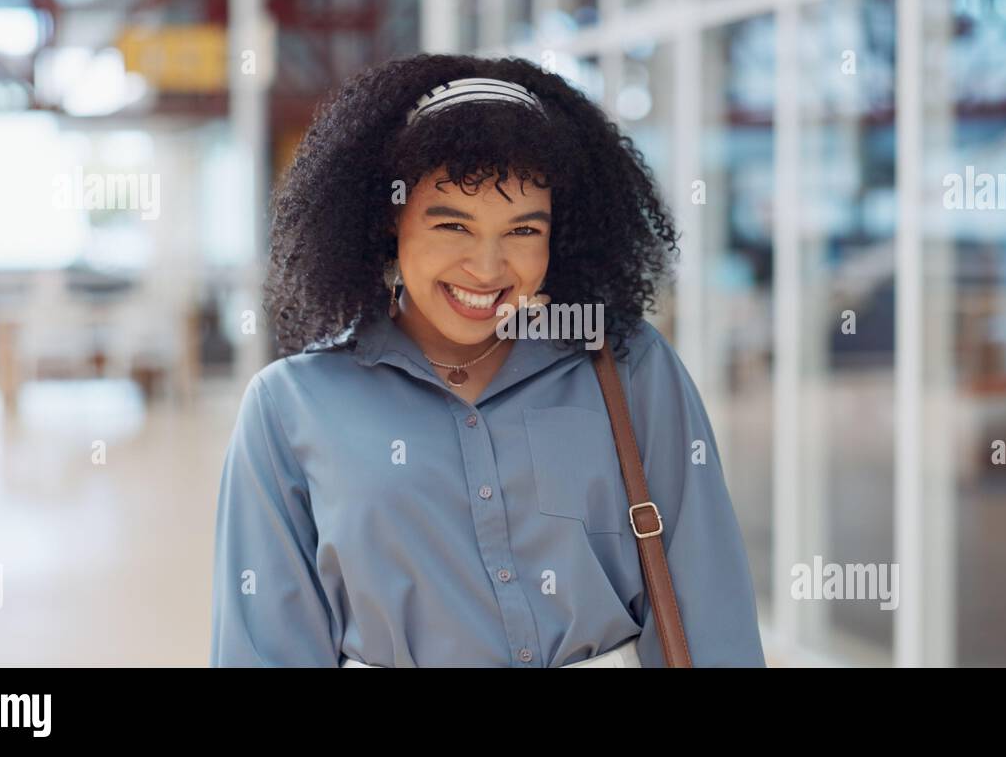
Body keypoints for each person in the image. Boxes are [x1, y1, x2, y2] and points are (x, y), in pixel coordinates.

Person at [210, 54, 766, 667]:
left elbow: (710, 604)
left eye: (524, 231)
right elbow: (264, 648)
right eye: (453, 225)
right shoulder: (290, 407)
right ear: (390, 220)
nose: (487, 268)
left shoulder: (630, 368)